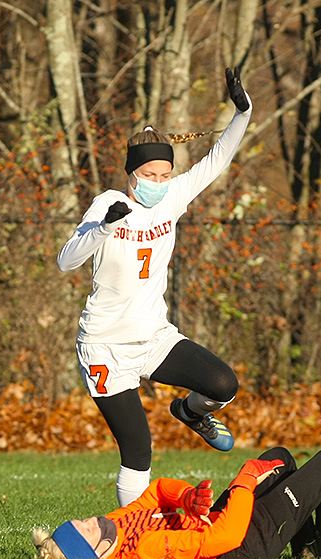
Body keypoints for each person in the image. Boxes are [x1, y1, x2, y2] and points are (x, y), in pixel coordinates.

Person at [57, 68, 252, 507]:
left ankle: (190, 411)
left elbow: (218, 157)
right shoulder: (110, 204)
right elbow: (66, 260)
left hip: (154, 339)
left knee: (224, 384)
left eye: (165, 175)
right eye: (150, 174)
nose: (159, 183)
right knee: (138, 453)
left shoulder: (173, 197)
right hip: (106, 346)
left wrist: (243, 110)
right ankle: (133, 537)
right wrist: (102, 229)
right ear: (132, 173)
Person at [32, 445, 321, 559]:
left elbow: (156, 491)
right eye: (85, 531)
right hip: (242, 545)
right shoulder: (143, 547)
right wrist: (246, 479)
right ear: (97, 552)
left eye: (79, 521)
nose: (88, 521)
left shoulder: (112, 526)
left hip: (216, 522)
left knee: (280, 458)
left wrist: (187, 498)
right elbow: (225, 537)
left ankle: (303, 549)